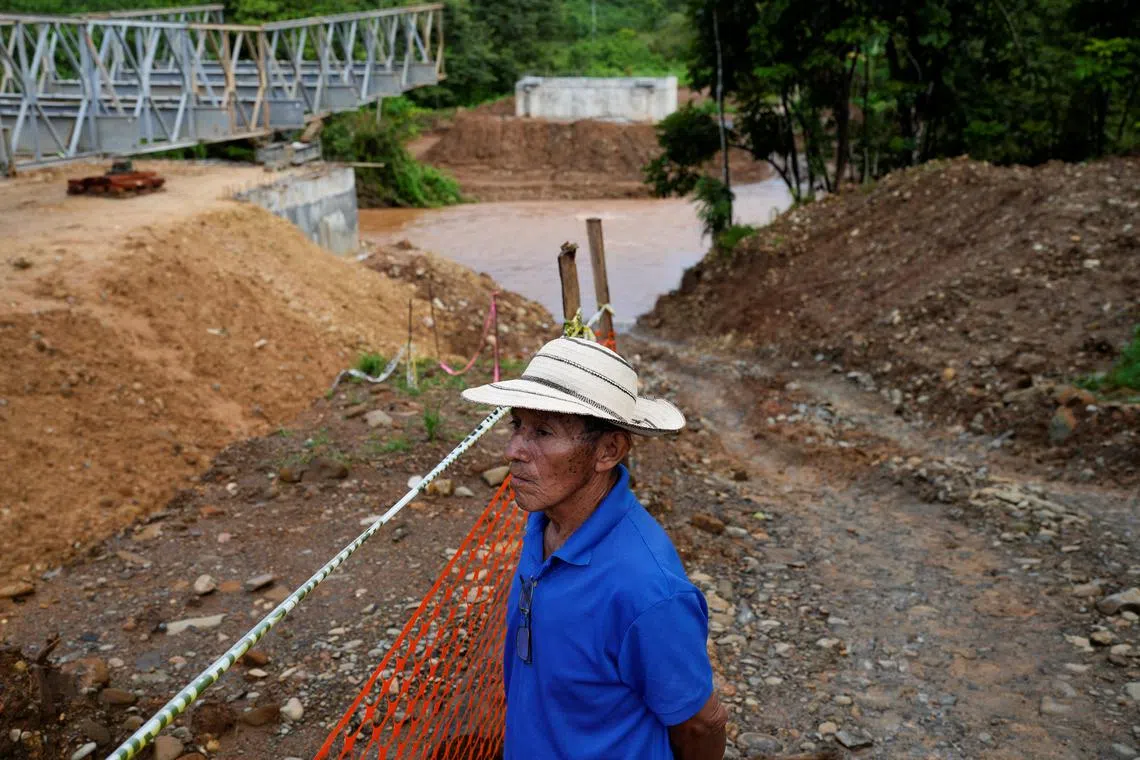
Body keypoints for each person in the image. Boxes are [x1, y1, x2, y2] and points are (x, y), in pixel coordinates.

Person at [462, 336, 727, 760]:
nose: (512, 451)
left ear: (608, 451)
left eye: (543, 432)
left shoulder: (647, 590)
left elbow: (702, 724)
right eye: (517, 426)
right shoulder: (544, 525)